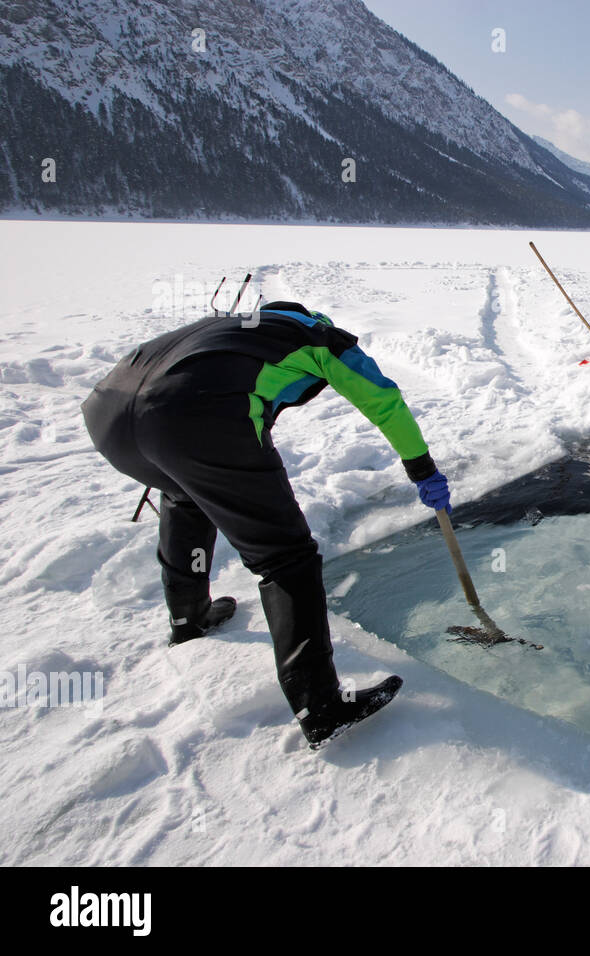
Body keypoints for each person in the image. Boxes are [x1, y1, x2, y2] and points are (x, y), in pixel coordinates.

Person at [82, 301, 452, 748]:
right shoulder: (320, 338)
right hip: (192, 414)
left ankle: (189, 617)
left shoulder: (227, 330)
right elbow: (384, 400)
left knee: (185, 496)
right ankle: (320, 707)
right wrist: (422, 469)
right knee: (286, 556)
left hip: (108, 414)